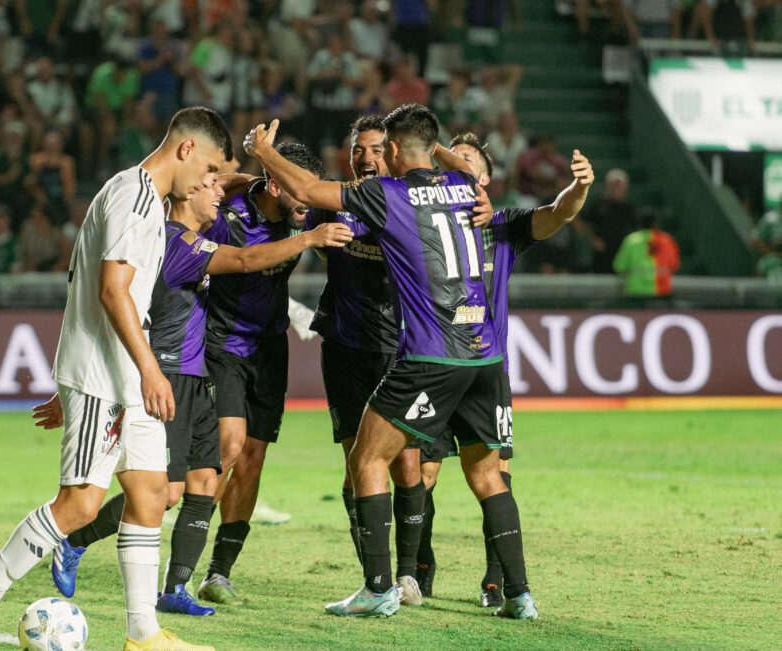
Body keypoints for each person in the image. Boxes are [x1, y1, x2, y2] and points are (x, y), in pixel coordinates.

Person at [244, 104, 593, 619]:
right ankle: (519, 594)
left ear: (390, 151)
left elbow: (311, 192)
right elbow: (485, 178)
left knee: (366, 458)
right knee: (488, 476)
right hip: (487, 358)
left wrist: (263, 152)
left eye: (381, 147)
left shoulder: (391, 195)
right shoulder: (466, 191)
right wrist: (575, 187)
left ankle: (379, 586)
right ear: (435, 149)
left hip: (432, 353)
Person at [0, 106, 232, 651]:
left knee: (149, 495)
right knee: (79, 503)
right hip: (110, 375)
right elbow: (110, 290)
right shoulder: (136, 195)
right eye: (212, 169)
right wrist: (146, 369)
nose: (211, 183)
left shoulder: (140, 196)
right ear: (187, 149)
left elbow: (100, 294)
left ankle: (143, 633)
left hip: (120, 370)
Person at [39, 182, 353, 617]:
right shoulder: (175, 243)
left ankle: (175, 588)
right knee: (165, 493)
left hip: (197, 373)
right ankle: (75, 540)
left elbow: (229, 187)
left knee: (206, 480)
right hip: (165, 377)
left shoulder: (195, 238)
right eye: (207, 188)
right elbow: (242, 260)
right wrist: (308, 239)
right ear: (185, 197)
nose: (218, 197)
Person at [307, 115, 491, 607]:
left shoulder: (405, 201)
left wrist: (434, 150)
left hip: (401, 346)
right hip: (344, 346)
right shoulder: (336, 205)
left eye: (374, 148)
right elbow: (299, 208)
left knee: (406, 464)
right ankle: (376, 571)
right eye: (357, 149)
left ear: (389, 151)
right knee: (356, 459)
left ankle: (407, 576)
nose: (365, 157)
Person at [418, 133, 594, 610]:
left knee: (495, 473)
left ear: (486, 178)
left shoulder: (503, 227)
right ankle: (419, 568)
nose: (457, 167)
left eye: (468, 162)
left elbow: (558, 213)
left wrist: (578, 187)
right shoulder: (423, 223)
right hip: (431, 364)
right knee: (421, 471)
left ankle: (497, 581)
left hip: (484, 370)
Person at [193, 142, 327, 605]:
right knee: (227, 449)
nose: (307, 208)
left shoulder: (301, 213)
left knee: (252, 460)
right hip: (223, 345)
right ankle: (176, 571)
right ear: (274, 184)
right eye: (299, 196)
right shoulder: (227, 216)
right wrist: (246, 177)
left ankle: (218, 573)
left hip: (270, 349)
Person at [613, 210, 680, 299]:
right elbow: (675, 265)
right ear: (656, 224)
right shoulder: (667, 240)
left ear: (639, 224)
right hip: (662, 291)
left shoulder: (632, 240)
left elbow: (618, 266)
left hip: (636, 291)